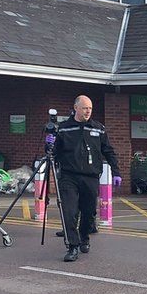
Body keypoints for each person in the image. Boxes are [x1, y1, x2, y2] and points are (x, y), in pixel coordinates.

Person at [47, 95, 122, 262]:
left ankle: (84, 237)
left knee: (89, 212)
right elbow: (54, 152)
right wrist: (50, 144)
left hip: (90, 176)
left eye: (90, 108)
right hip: (69, 176)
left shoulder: (98, 128)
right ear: (75, 108)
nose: (88, 111)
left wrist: (116, 172)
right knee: (70, 211)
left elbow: (108, 151)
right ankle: (72, 246)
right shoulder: (64, 128)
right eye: (84, 108)